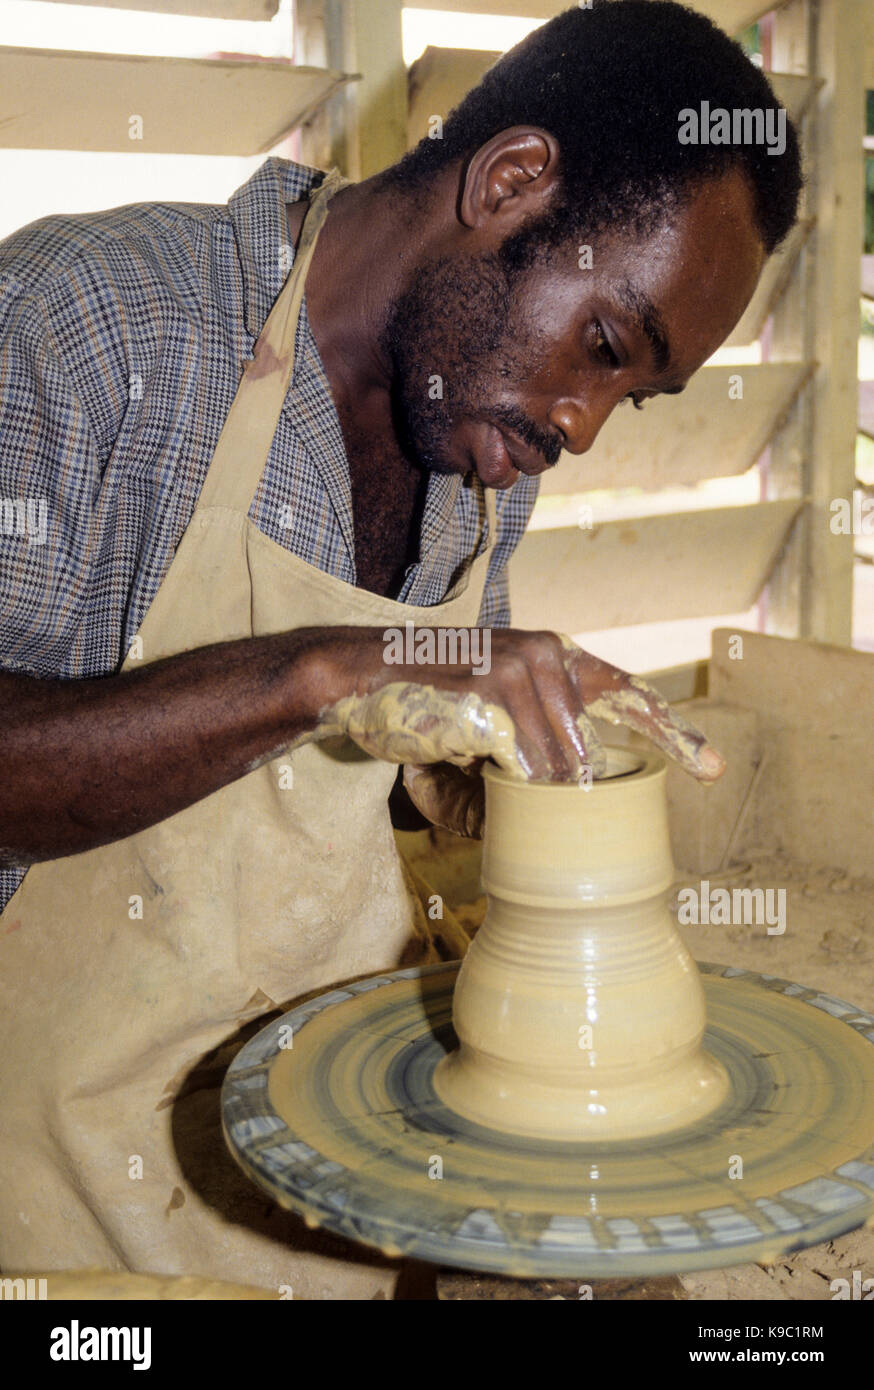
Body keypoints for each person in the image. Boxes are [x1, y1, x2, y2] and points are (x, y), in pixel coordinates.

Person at [0, 1, 801, 1297]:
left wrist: (546, 762)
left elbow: (426, 754)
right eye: (602, 345)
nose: (581, 426)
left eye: (629, 394)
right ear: (509, 182)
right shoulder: (93, 329)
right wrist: (336, 669)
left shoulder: (485, 445)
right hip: (56, 1227)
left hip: (323, 1164)